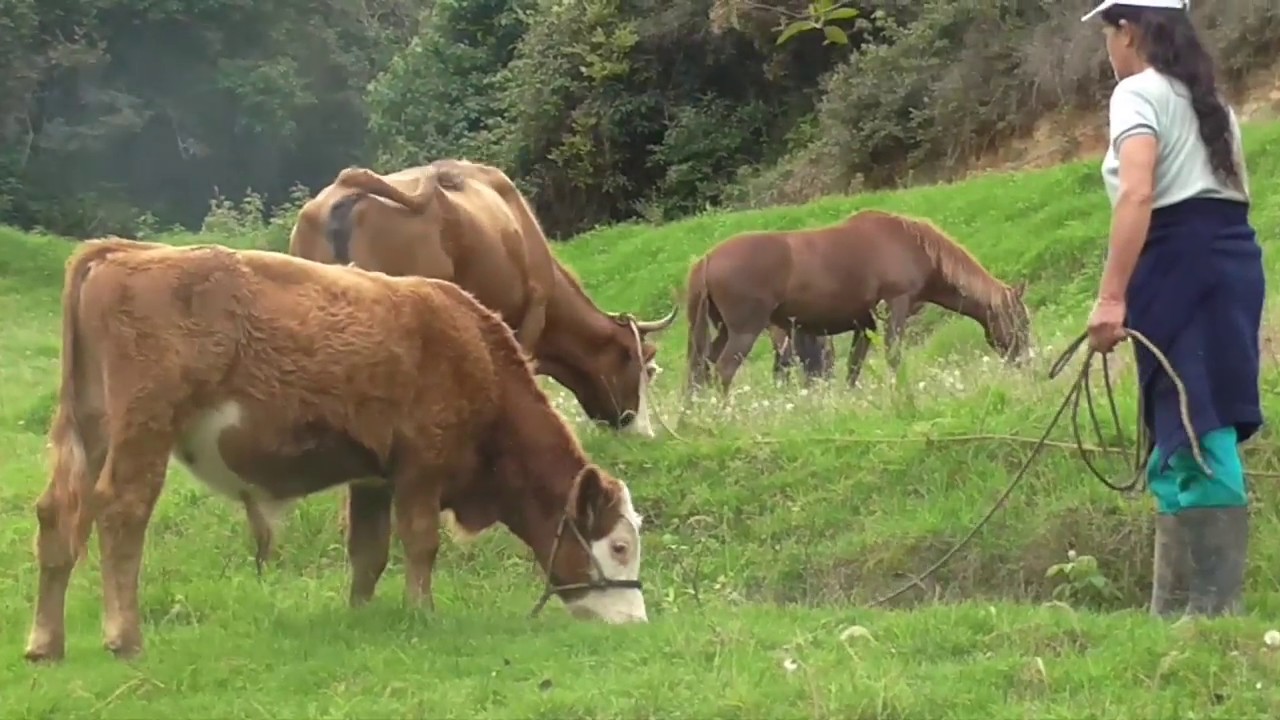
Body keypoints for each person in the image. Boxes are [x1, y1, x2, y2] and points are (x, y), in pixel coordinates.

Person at [1081, 0, 1263, 619]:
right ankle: (1178, 607)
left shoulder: (1136, 93)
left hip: (1178, 260)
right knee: (1190, 419)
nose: (1107, 49)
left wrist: (1110, 296)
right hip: (1231, 262)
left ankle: (1211, 612)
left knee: (1195, 423)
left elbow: (1138, 191)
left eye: (1108, 34)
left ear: (1127, 30)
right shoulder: (1213, 104)